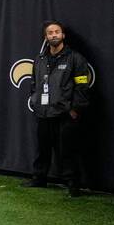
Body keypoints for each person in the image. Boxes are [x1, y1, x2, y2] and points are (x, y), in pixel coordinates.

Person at [20, 22, 93, 196]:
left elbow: (82, 86)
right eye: (50, 33)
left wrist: (74, 108)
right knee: (42, 148)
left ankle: (73, 184)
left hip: (65, 113)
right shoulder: (40, 59)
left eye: (57, 32)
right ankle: (39, 178)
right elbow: (34, 83)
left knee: (67, 150)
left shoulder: (75, 58)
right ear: (46, 37)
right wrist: (36, 101)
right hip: (44, 112)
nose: (54, 35)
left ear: (63, 35)